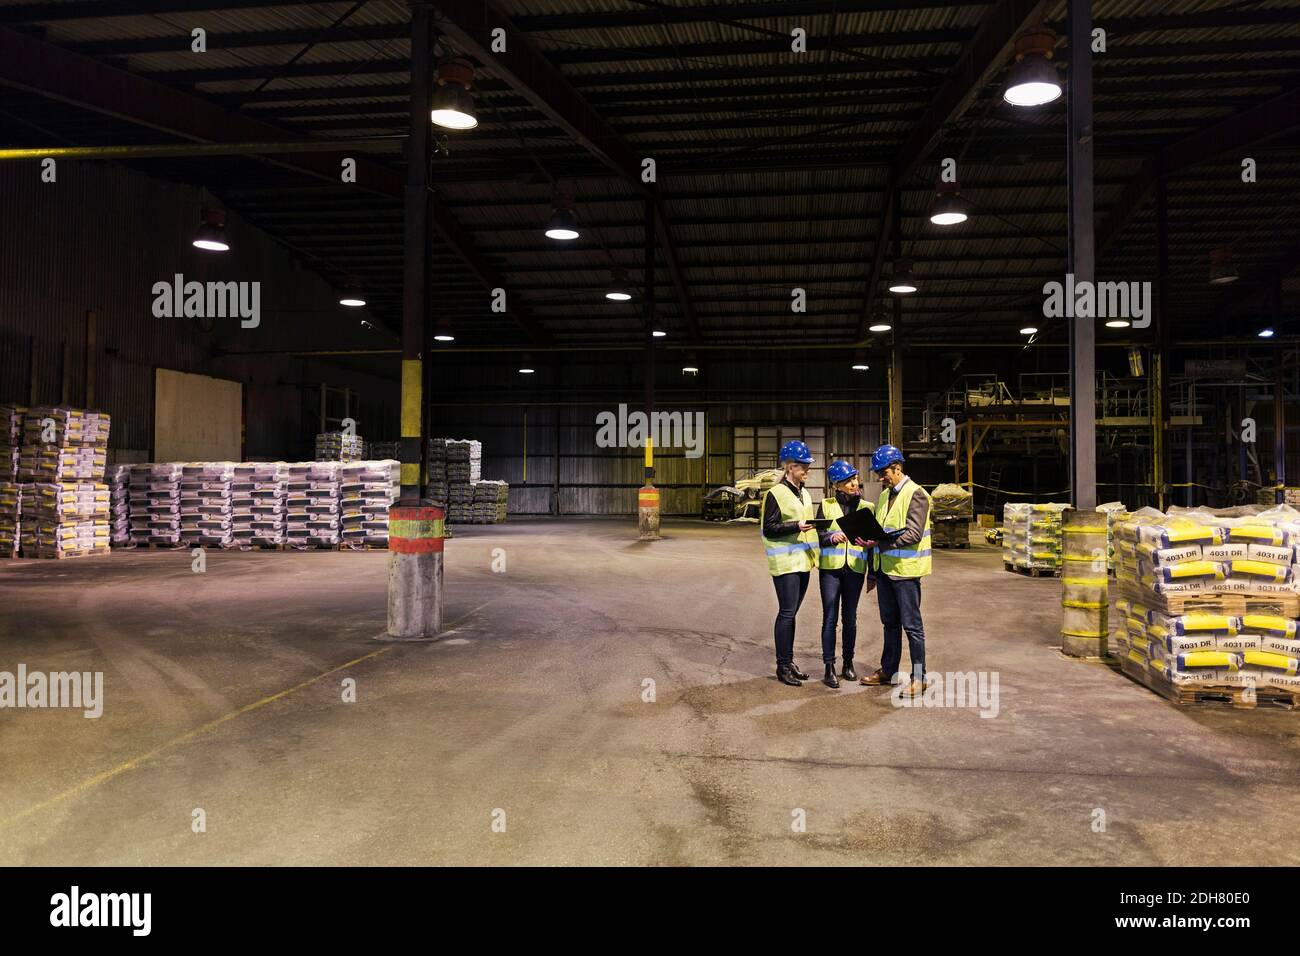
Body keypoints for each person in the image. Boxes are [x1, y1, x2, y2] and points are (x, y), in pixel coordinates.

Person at [856, 444, 931, 697]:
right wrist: (870, 541)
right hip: (885, 570)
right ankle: (889, 671)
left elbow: (913, 534)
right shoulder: (884, 496)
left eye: (883, 472)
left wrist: (880, 543)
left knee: (912, 626)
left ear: (897, 468)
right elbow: (881, 529)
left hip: (906, 572)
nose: (880, 477)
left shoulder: (917, 494)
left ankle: (919, 678)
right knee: (889, 623)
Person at [760, 440, 819, 687]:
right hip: (785, 563)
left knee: (791, 614)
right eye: (803, 466)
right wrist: (796, 526)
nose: (807, 471)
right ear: (790, 467)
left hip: (802, 562)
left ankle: (789, 662)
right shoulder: (775, 494)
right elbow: (769, 528)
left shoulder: (804, 493)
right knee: (786, 613)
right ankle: (782, 666)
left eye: (807, 466)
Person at [815, 459, 873, 688]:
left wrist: (873, 574)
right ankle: (829, 666)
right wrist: (831, 537)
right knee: (829, 618)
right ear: (836, 485)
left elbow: (873, 543)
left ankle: (848, 663)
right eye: (848, 481)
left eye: (855, 479)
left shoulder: (867, 507)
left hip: (855, 570)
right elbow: (818, 536)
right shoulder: (826, 505)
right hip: (830, 570)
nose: (854, 483)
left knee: (850, 618)